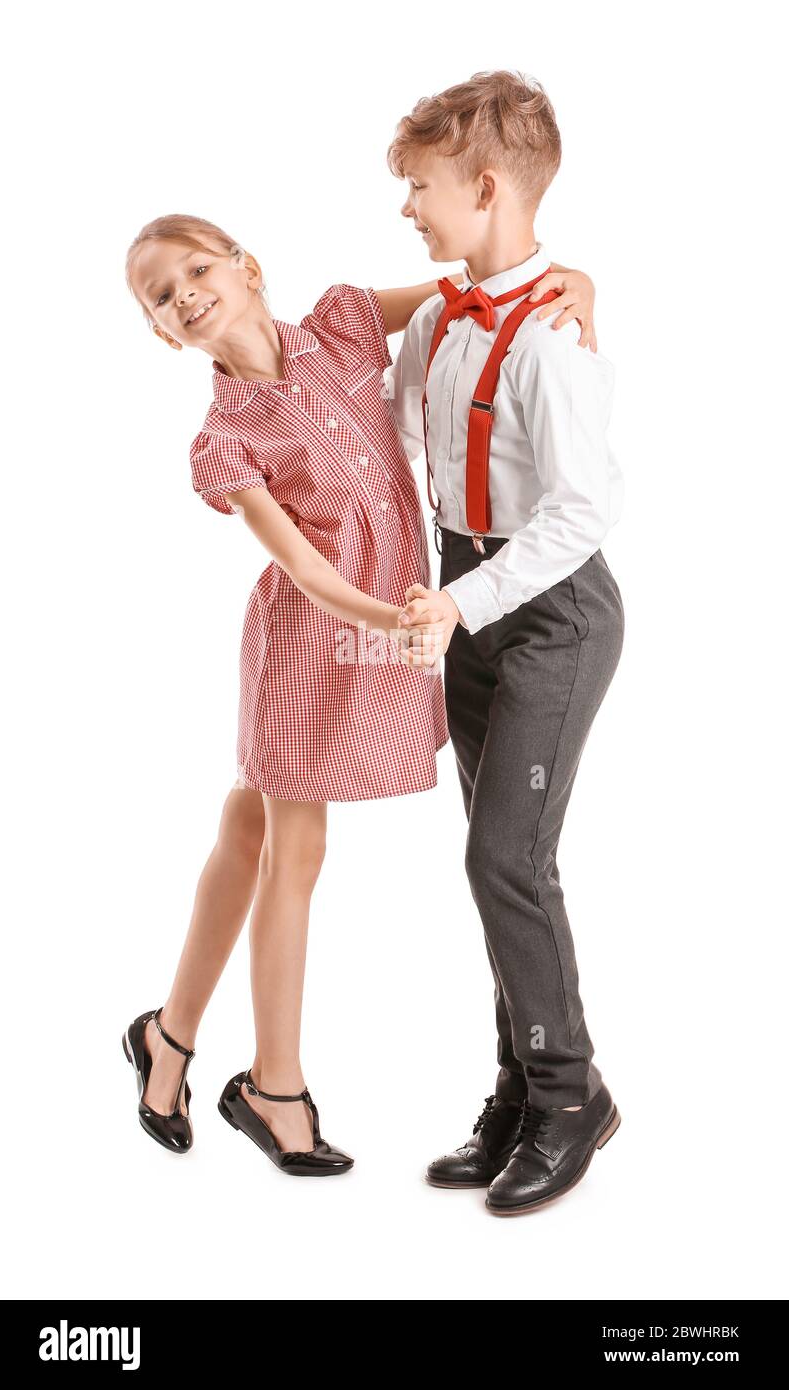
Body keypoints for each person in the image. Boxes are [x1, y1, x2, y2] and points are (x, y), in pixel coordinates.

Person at [121, 211, 598, 1181]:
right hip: (314, 642)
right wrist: (401, 625)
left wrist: (573, 283)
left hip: (394, 624)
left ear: (248, 267)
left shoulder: (340, 323)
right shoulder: (224, 438)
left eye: (196, 269)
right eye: (161, 297)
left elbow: (477, 295)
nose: (185, 294)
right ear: (163, 333)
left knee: (246, 832)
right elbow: (300, 568)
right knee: (292, 848)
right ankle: (274, 1085)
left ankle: (166, 1038)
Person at [384, 69, 625, 1215]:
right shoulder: (436, 320)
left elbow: (582, 510)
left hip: (549, 614)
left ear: (483, 189)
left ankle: (571, 1094)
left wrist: (466, 604)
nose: (406, 210)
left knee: (500, 859)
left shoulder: (552, 338)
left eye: (419, 190)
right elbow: (385, 438)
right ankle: (517, 1090)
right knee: (506, 861)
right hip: (460, 595)